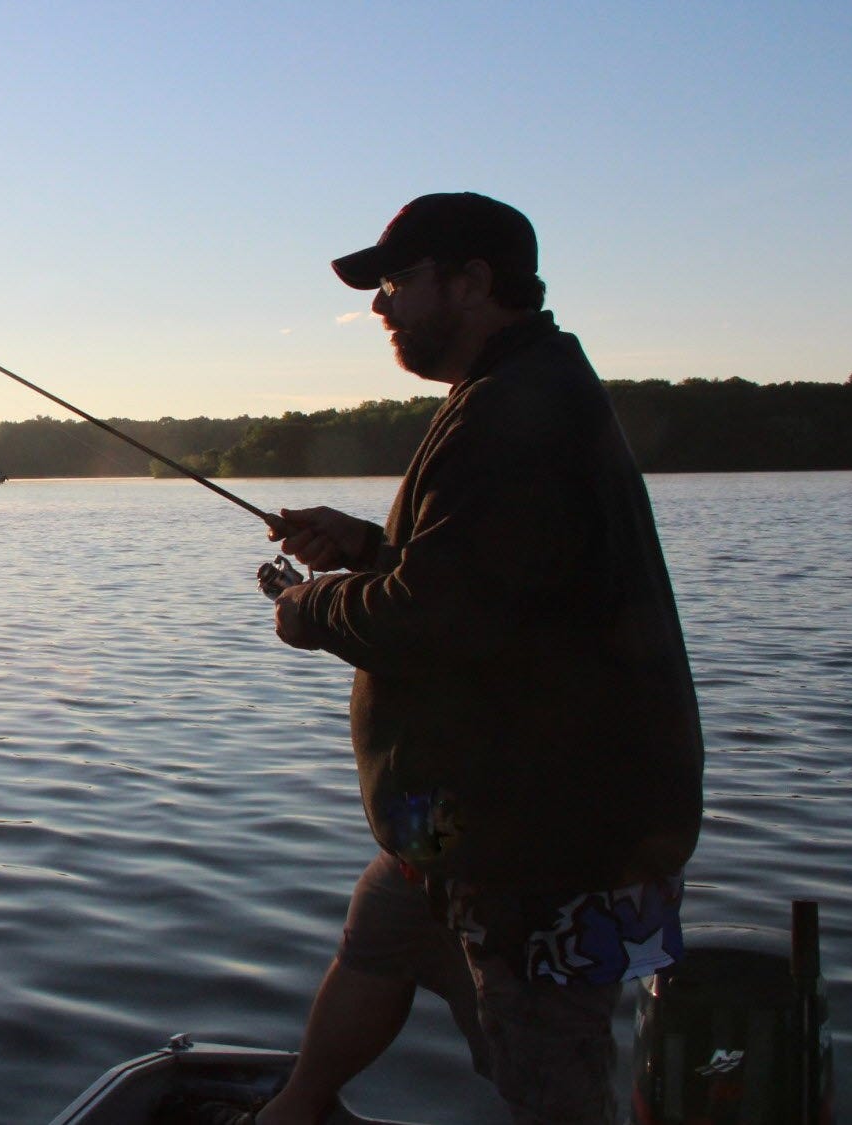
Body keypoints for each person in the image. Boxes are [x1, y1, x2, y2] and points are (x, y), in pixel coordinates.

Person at [255, 194, 704, 1125]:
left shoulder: (517, 411)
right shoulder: (512, 390)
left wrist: (310, 609)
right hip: (461, 816)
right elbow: (499, 586)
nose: (380, 307)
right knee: (382, 939)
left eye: (397, 283)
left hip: (551, 835)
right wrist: (370, 550)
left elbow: (435, 619)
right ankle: (291, 1112)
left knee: (552, 1077)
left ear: (473, 282)